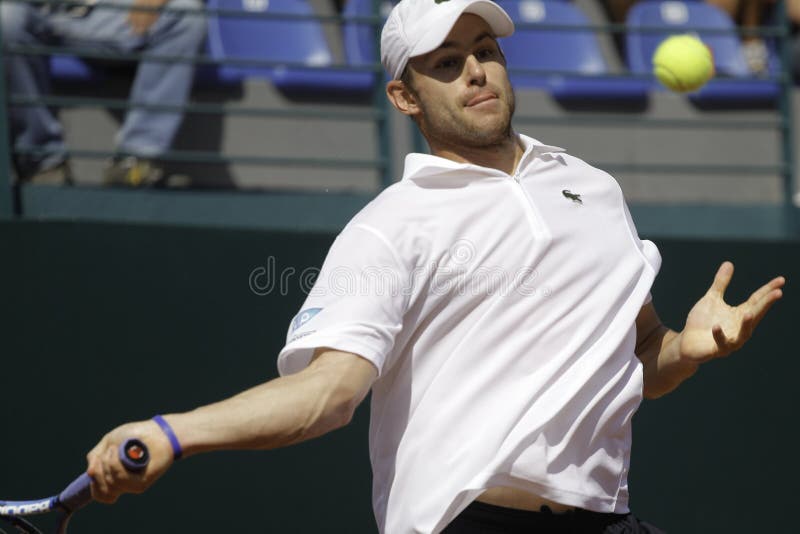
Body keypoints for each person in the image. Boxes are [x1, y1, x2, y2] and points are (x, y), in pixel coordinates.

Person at [83, 0, 785, 532]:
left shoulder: (594, 189)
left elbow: (641, 355)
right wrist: (175, 431)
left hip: (607, 515)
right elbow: (325, 394)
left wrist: (687, 350)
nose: (475, 70)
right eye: (446, 63)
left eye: (484, 51)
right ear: (405, 96)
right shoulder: (390, 226)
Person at [1, 0, 206, 186]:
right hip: (38, 11)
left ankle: (134, 162)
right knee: (6, 16)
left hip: (110, 13)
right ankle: (43, 163)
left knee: (186, 15)